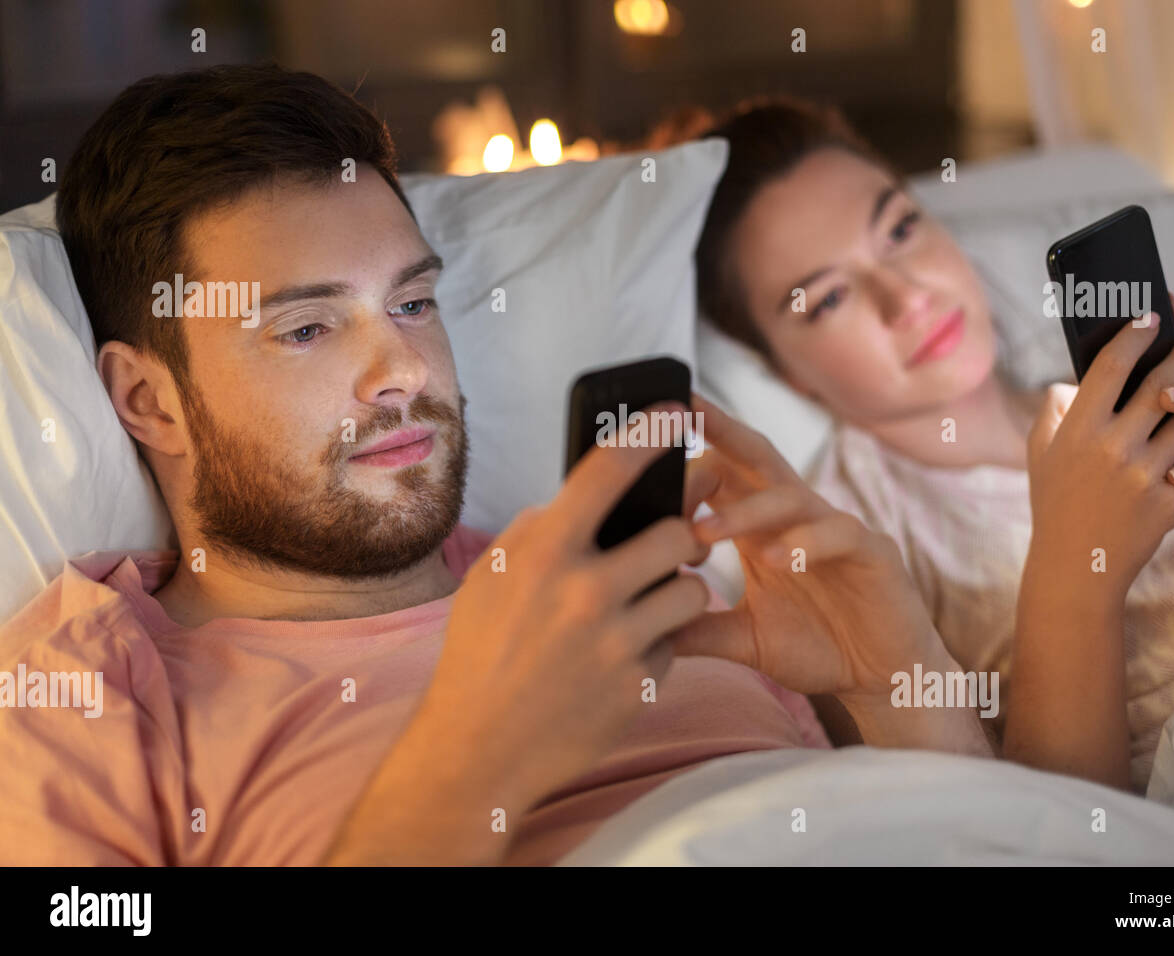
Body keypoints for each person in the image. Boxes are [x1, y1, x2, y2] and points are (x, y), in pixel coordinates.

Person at [0, 65, 992, 867]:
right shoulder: (81, 693)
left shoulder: (619, 589)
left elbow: (985, 842)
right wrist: (477, 762)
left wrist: (895, 681)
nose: (399, 371)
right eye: (306, 327)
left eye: (412, 304)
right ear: (146, 399)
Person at [682, 95, 1174, 790]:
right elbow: (1019, 835)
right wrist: (1074, 572)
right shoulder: (846, 553)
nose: (904, 295)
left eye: (899, 230)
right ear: (786, 371)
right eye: (827, 298)